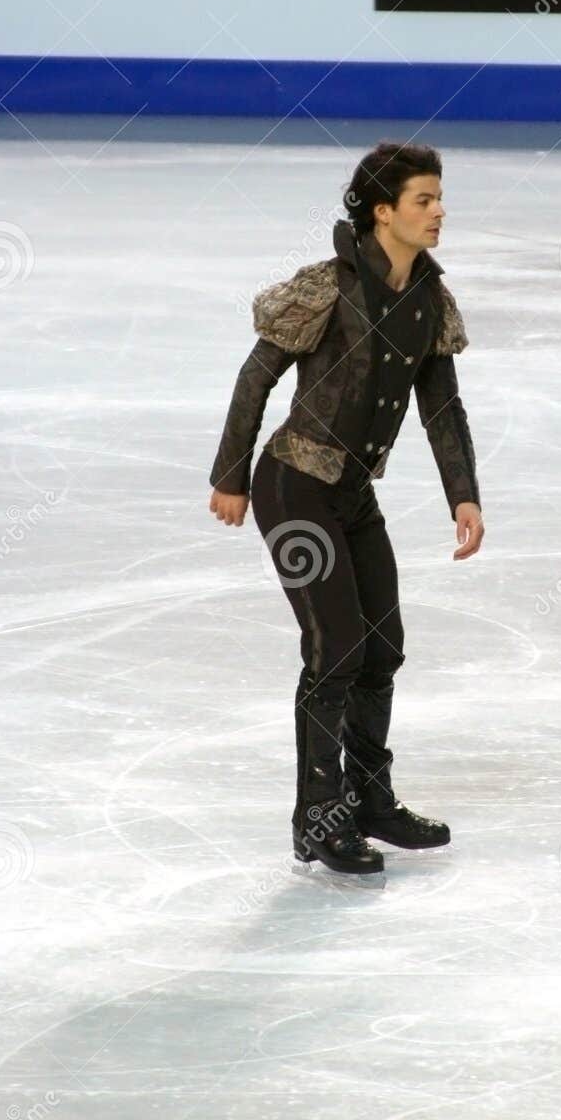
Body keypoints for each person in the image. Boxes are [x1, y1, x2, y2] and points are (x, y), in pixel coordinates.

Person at [208, 144, 485, 878]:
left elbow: (443, 410)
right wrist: (230, 475)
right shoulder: (326, 288)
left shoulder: (429, 300)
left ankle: (370, 799)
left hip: (353, 494)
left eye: (439, 198)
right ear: (383, 210)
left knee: (382, 646)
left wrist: (465, 494)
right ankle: (318, 819)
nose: (438, 212)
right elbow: (254, 379)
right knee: (336, 650)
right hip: (292, 486)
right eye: (423, 200)